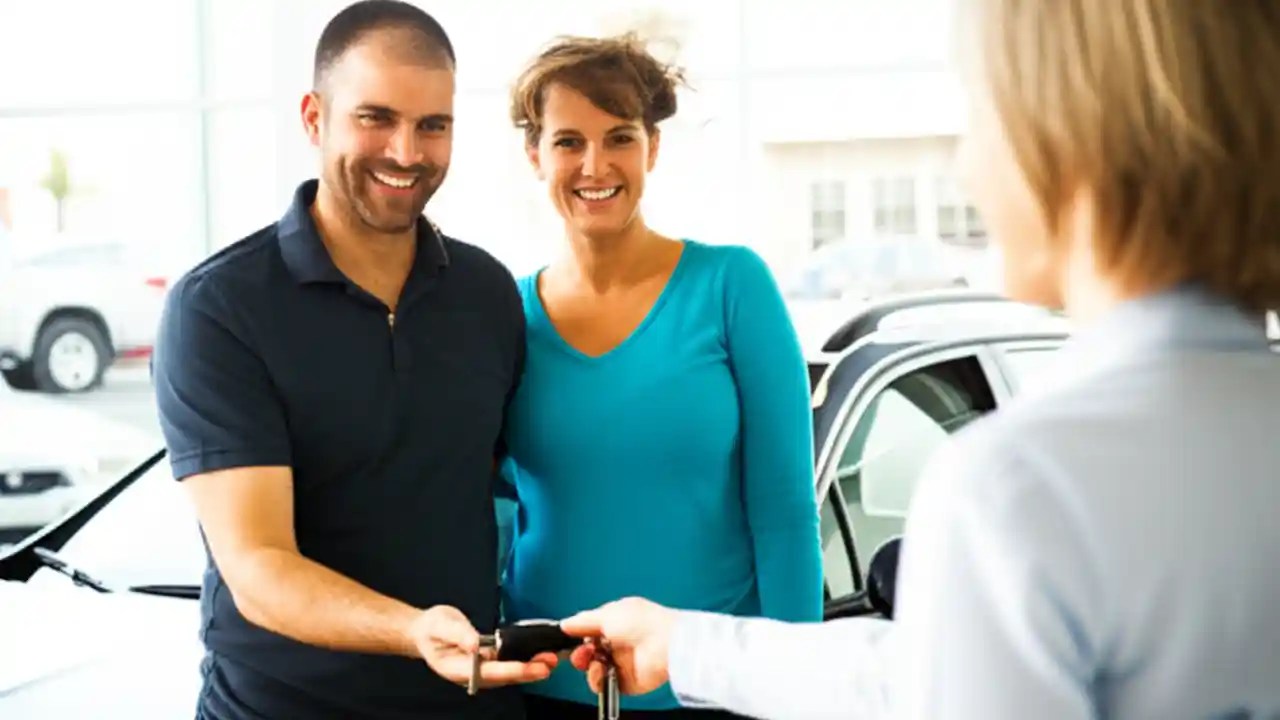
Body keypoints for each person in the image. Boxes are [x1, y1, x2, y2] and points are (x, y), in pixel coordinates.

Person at [522, 2, 1280, 718]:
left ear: (1071, 148)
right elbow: (927, 674)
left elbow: (932, 679)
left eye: (985, 120)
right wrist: (691, 647)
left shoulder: (1017, 490)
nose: (968, 172)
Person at [152, 2, 555, 718]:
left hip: (468, 700)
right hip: (282, 707)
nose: (407, 151)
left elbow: (516, 489)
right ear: (314, 118)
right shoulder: (218, 309)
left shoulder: (487, 292)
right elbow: (259, 567)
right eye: (376, 118)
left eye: (434, 125)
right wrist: (412, 630)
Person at [495, 34, 824, 718]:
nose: (595, 165)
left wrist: (800, 689)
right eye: (567, 142)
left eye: (619, 137)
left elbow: (785, 512)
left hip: (712, 687)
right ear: (535, 155)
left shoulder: (732, 287)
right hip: (545, 687)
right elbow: (487, 509)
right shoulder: (505, 316)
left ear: (652, 147)